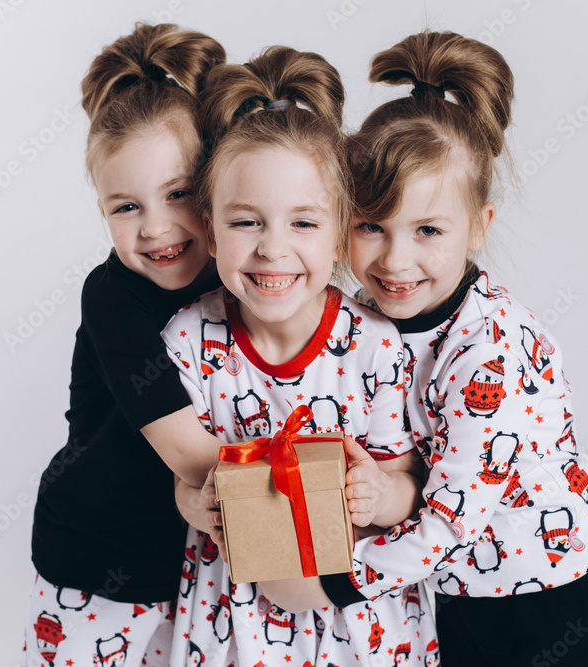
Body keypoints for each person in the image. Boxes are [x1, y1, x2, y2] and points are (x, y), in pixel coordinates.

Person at [262, 30, 588, 666]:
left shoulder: (492, 352)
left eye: (428, 230)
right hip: (457, 596)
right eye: (371, 226)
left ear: (479, 227)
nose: (396, 259)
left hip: (550, 598)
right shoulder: (370, 322)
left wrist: (331, 582)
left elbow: (449, 523)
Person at [162, 45, 439, 667]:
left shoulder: (373, 347)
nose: (273, 250)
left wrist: (381, 496)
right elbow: (182, 484)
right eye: (247, 223)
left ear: (342, 231)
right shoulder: (188, 338)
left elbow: (406, 481)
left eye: (304, 224)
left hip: (354, 617)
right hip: (233, 612)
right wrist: (198, 505)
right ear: (209, 227)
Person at [24, 23, 236, 667]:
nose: (158, 226)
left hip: (198, 569)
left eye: (178, 194)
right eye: (127, 207)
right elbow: (193, 455)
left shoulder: (245, 282)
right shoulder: (114, 298)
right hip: (96, 563)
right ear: (101, 213)